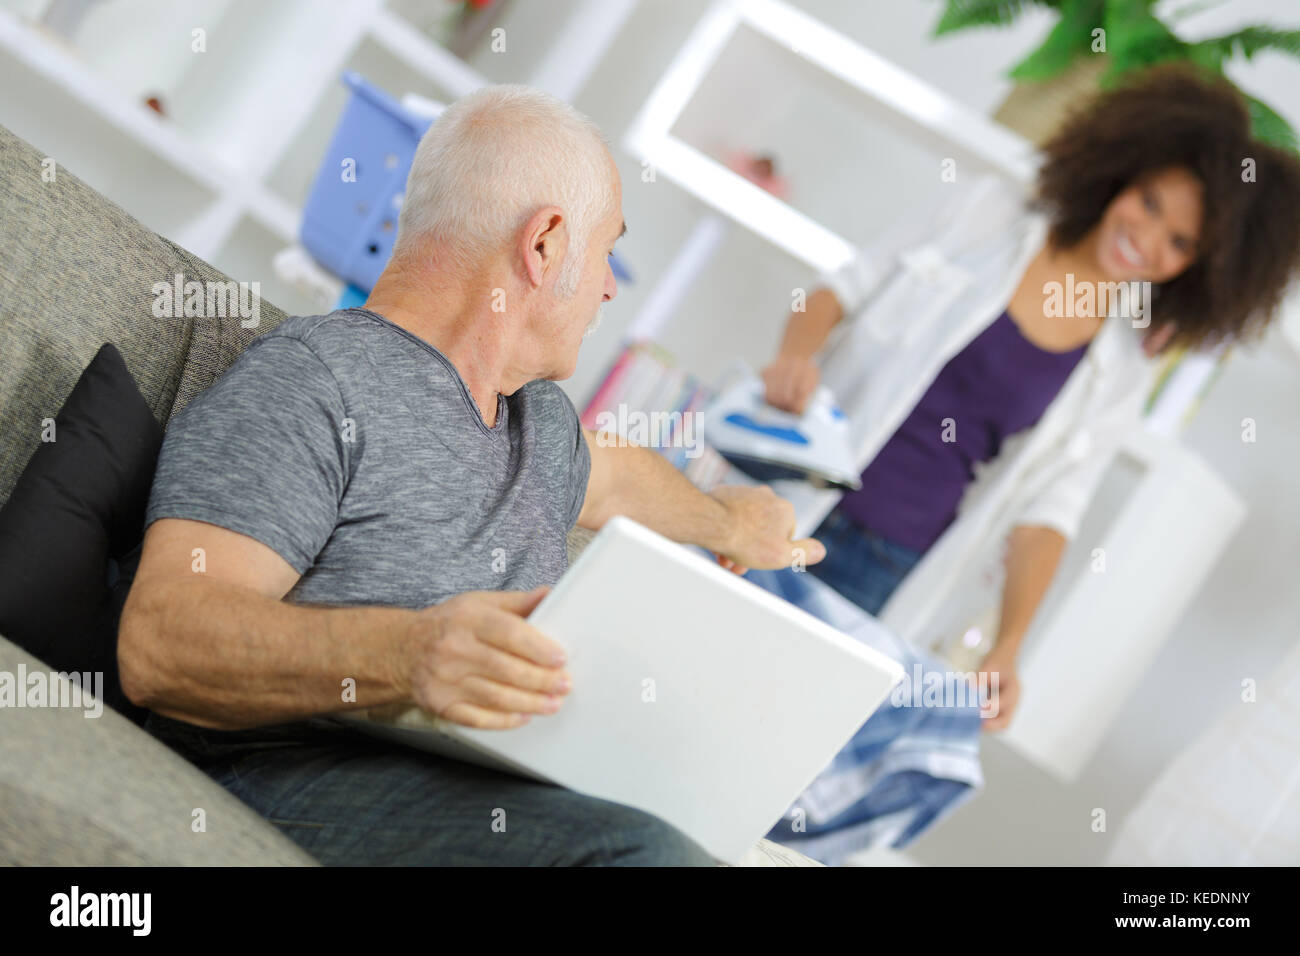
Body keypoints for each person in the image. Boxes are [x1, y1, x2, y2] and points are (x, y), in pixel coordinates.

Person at [118, 84, 823, 866]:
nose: (610, 288)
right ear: (547, 244)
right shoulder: (317, 381)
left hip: (491, 782)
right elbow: (161, 640)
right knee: (648, 855)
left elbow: (620, 479)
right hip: (290, 768)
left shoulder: (538, 422)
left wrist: (732, 523)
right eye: (607, 251)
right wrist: (408, 654)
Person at [750, 65, 1300, 860]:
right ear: (1121, 171)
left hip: (887, 564)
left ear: (1202, 270)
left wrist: (1009, 645)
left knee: (781, 737)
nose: (1147, 240)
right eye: (1149, 204)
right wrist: (793, 358)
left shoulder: (1121, 367)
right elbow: (842, 287)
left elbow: (1053, 511)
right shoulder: (990, 212)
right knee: (700, 660)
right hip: (787, 495)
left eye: (1180, 242)